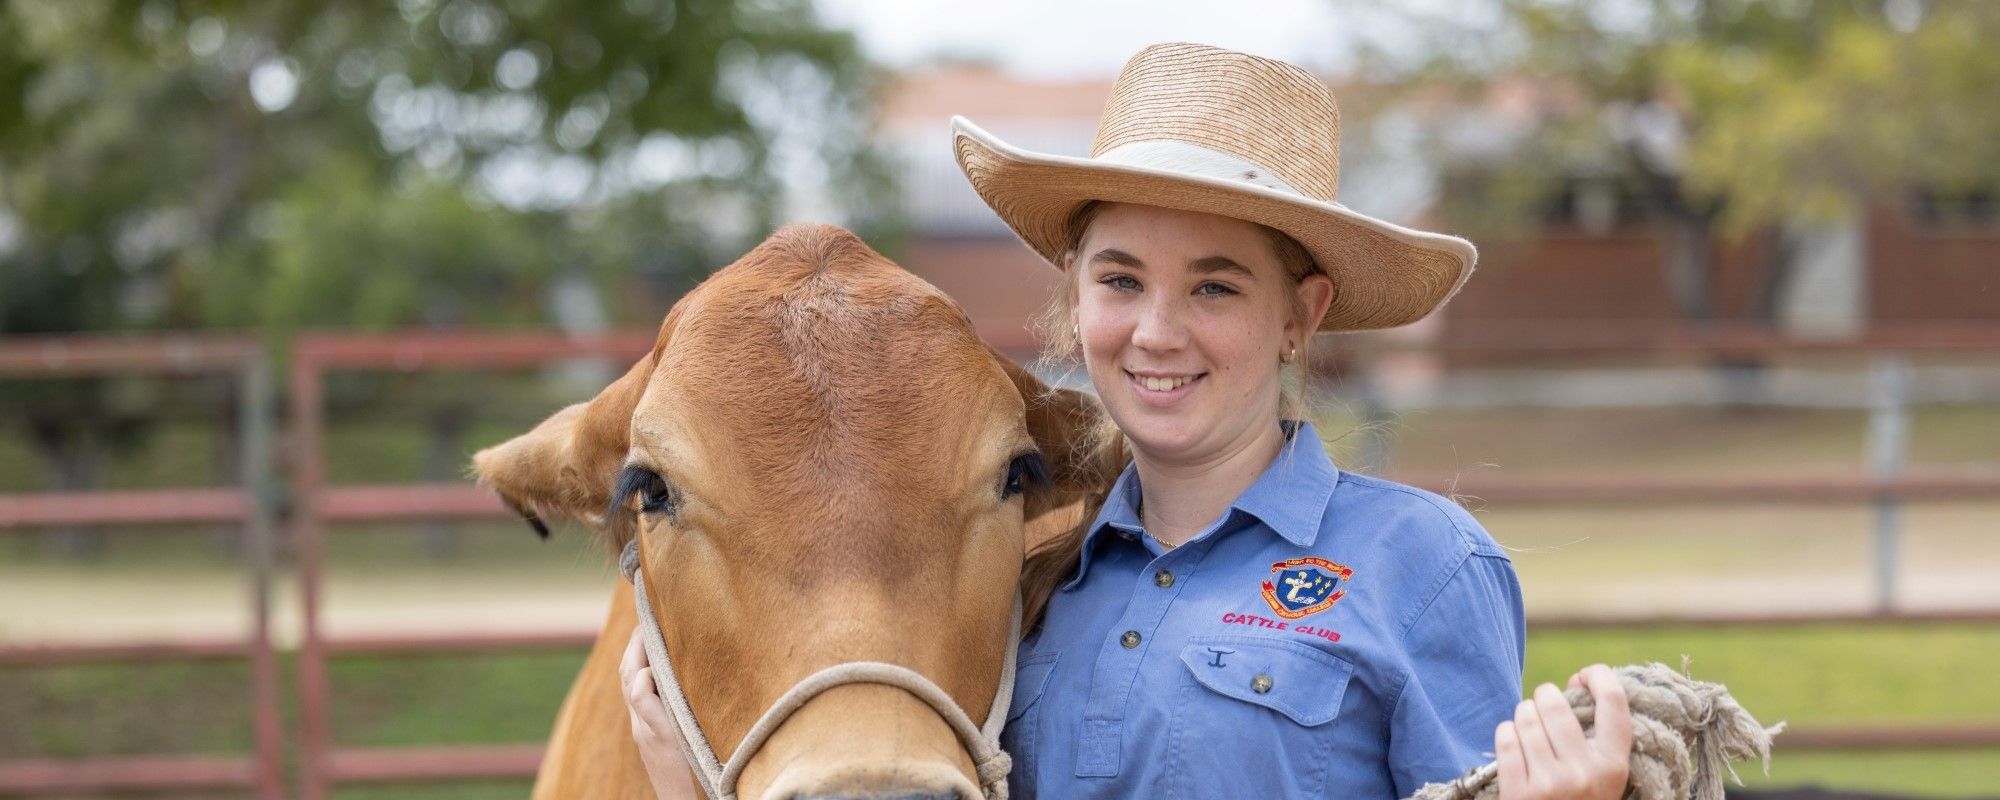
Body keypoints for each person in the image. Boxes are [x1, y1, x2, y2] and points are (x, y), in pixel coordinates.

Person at [623, 41, 1634, 799]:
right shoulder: (1024, 571)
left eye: (1215, 288)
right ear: (1073, 291)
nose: (1156, 331)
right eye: (1120, 278)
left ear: (1301, 314)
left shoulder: (1423, 564)